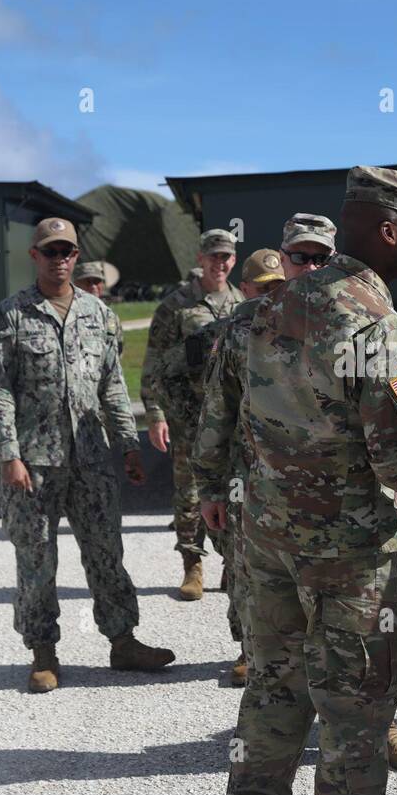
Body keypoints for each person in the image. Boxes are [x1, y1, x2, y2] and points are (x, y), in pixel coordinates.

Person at [227, 169, 397, 795]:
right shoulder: (378, 329)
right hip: (347, 556)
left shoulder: (263, 310)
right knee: (354, 718)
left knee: (272, 696)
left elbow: (237, 420)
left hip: (269, 540)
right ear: (388, 232)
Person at [0, 217, 175, 693]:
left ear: (76, 254)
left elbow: (111, 385)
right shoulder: (9, 316)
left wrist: (128, 445)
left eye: (67, 251)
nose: (60, 258)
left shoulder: (99, 315)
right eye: (50, 251)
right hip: (33, 464)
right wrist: (8, 454)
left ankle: (123, 641)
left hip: (91, 460)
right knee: (37, 559)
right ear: (35, 256)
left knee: (107, 552)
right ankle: (43, 652)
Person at [192, 248, 287, 687]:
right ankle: (250, 650)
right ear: (244, 289)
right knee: (245, 566)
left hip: (302, 477)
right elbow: (215, 410)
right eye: (264, 287)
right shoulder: (232, 333)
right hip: (244, 475)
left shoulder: (315, 326)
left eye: (279, 285)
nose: (273, 293)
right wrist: (208, 484)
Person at [140, 230, 245, 600]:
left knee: (235, 489)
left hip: (231, 418)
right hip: (188, 415)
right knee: (189, 491)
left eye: (227, 257)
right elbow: (154, 361)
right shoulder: (177, 305)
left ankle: (233, 565)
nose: (220, 263)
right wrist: (155, 413)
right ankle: (192, 564)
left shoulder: (241, 301)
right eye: (214, 256)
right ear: (200, 258)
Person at [74, 260, 123, 354]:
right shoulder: (68, 314)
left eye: (97, 281)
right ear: (76, 284)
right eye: (87, 282)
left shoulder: (109, 315)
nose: (93, 286)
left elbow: (118, 347)